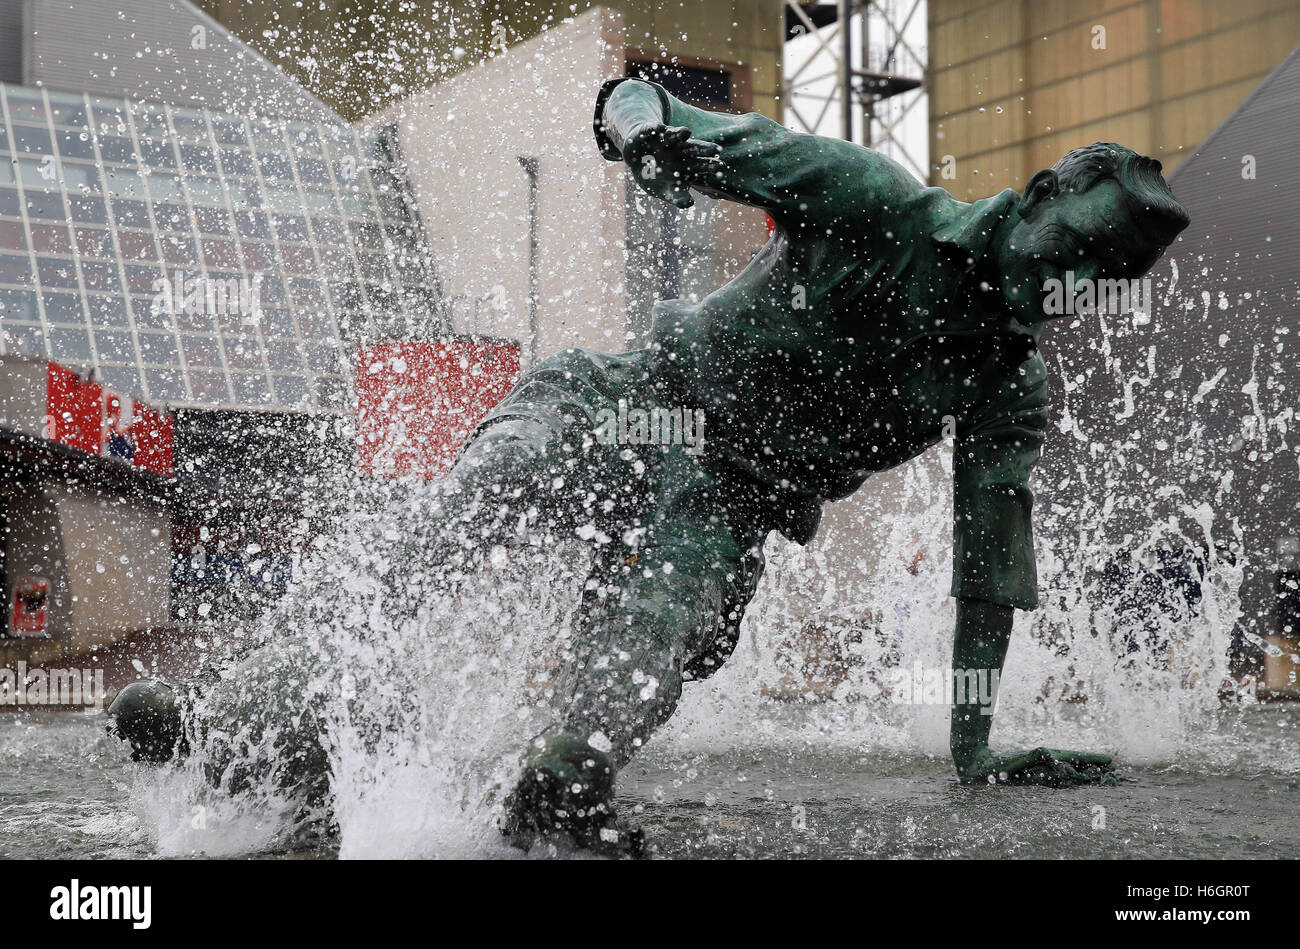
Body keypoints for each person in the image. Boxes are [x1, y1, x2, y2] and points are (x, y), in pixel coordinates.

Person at [110, 76, 1189, 855]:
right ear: (1042, 194)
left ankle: (561, 788)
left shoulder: (1007, 387)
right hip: (627, 404)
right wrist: (644, 143)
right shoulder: (868, 198)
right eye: (1068, 254)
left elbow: (985, 575)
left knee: (661, 617)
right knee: (468, 510)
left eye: (1097, 281)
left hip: (726, 497)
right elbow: (642, 102)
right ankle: (226, 710)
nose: (1064, 290)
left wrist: (973, 750)